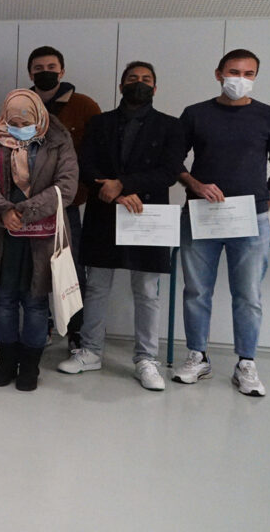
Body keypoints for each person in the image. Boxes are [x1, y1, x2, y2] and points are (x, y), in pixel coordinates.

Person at [58, 61, 185, 390]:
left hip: (148, 215)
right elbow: (85, 165)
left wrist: (123, 184)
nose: (138, 84)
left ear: (155, 89)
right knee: (97, 286)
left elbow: (169, 171)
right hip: (105, 212)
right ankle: (90, 351)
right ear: (121, 86)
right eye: (132, 79)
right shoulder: (99, 123)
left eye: (145, 80)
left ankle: (146, 359)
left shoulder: (171, 126)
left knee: (146, 291)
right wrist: (113, 192)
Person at [173, 49, 270, 397]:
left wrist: (266, 200)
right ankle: (198, 356)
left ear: (255, 76)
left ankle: (246, 363)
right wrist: (195, 185)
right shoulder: (195, 115)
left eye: (248, 73)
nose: (240, 78)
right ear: (218, 74)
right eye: (233, 71)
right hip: (202, 216)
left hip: (250, 219)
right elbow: (173, 160)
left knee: (248, 294)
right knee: (197, 291)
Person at [0, 90, 78, 391]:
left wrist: (26, 211)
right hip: (1, 232)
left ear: (39, 117)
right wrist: (4, 210)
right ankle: (6, 361)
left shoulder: (59, 141)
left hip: (41, 234)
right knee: (4, 300)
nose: (19, 125)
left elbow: (66, 187)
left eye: (25, 120)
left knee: (34, 302)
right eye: (13, 120)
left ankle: (30, 365)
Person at [27, 45, 101, 347]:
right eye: (39, 68)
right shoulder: (22, 104)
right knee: (35, 268)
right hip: (30, 205)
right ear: (30, 73)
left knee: (72, 268)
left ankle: (75, 332)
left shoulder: (84, 105)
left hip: (69, 203)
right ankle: (41, 327)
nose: (46, 72)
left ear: (63, 71)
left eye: (51, 67)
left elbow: (96, 152)